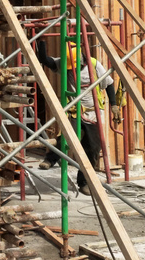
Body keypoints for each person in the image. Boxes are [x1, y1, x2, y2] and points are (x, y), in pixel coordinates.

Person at [35, 39, 120, 195]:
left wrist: (113, 104)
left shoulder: (94, 65)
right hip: (75, 110)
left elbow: (108, 84)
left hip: (93, 112)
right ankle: (50, 159)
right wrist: (42, 43)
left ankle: (85, 182)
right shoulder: (65, 62)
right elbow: (45, 60)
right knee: (66, 137)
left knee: (92, 148)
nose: (72, 70)